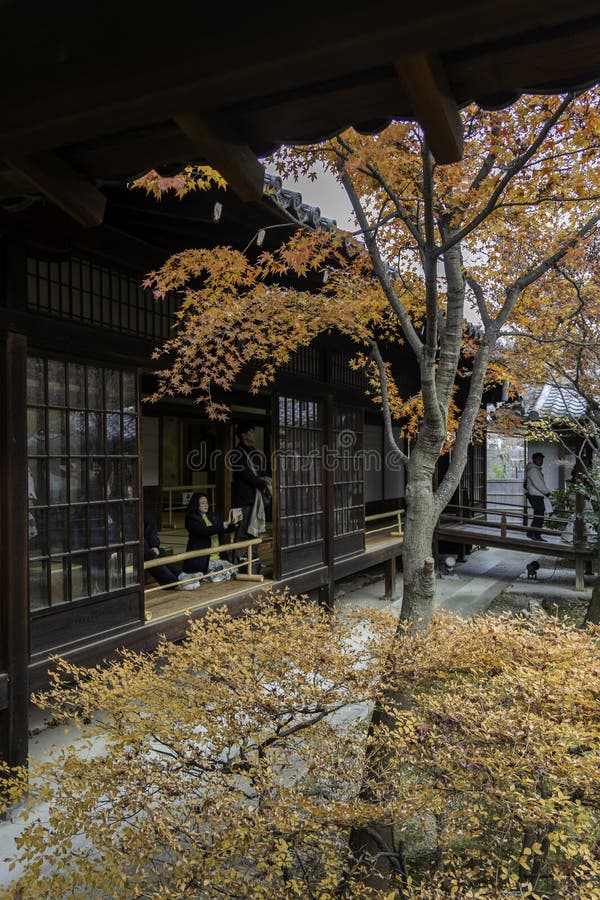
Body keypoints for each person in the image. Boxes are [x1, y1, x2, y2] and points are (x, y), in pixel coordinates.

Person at [231, 423, 270, 563]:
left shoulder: (255, 452)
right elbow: (245, 474)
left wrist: (264, 481)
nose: (254, 435)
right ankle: (238, 561)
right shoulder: (236, 453)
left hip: (256, 497)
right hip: (243, 497)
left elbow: (262, 472)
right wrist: (263, 484)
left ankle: (254, 560)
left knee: (255, 531)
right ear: (243, 435)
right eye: (251, 432)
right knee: (241, 531)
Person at [180, 492, 237, 584]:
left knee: (233, 571)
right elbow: (205, 530)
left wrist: (235, 523)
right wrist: (224, 524)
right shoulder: (191, 519)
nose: (206, 505)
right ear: (196, 504)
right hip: (202, 558)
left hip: (217, 556)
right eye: (202, 503)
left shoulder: (212, 516)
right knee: (217, 576)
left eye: (207, 503)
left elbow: (222, 529)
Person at [143, 509, 185, 590]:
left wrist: (154, 545)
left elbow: (151, 529)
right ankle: (173, 583)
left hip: (145, 546)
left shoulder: (139, 509)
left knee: (161, 552)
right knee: (151, 556)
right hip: (132, 548)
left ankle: (181, 575)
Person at [524, 452, 550, 541]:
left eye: (542, 460)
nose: (541, 461)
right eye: (539, 459)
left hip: (536, 494)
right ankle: (533, 533)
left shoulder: (535, 469)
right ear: (534, 460)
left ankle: (535, 534)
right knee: (539, 515)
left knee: (539, 515)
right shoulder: (533, 470)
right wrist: (546, 492)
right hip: (535, 495)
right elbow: (538, 484)